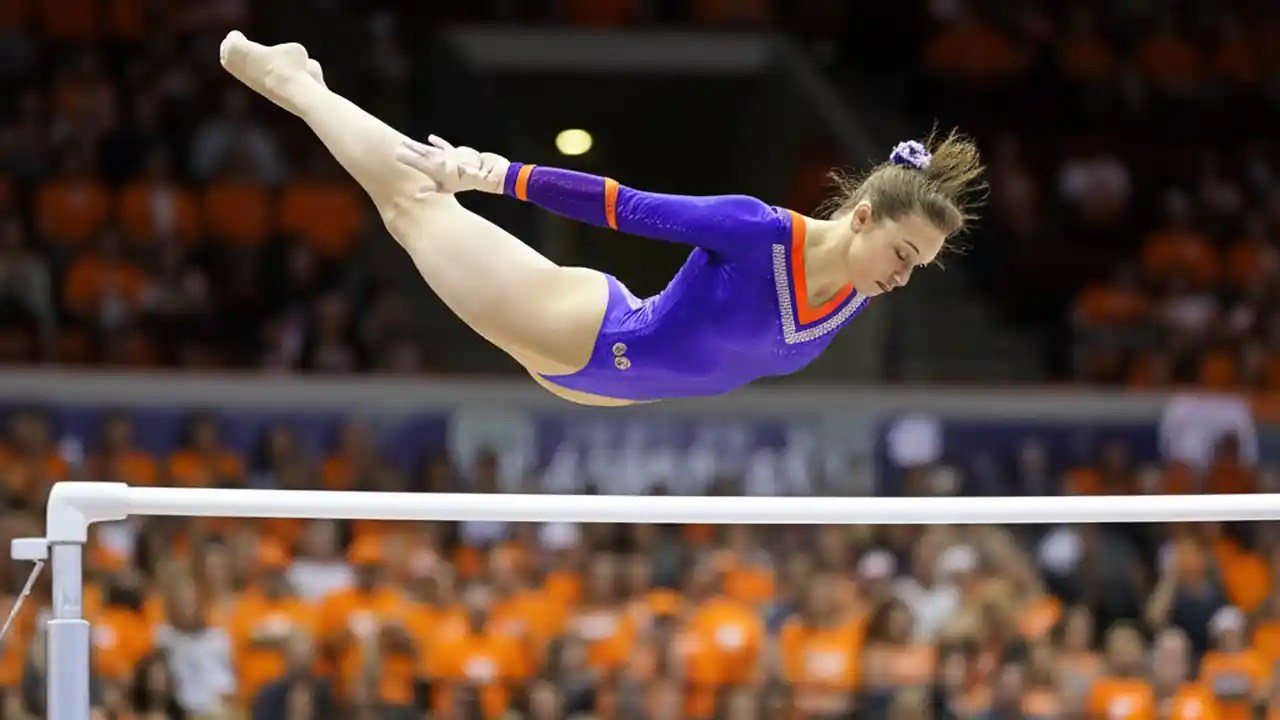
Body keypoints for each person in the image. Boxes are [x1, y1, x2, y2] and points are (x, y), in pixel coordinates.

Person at [218, 31, 985, 406]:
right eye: (903, 251)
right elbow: (625, 206)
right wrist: (492, 172)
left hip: (599, 380)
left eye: (918, 265)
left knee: (413, 210)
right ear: (860, 216)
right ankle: (294, 80)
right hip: (581, 333)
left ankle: (304, 83)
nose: (903, 273)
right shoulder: (759, 234)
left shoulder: (856, 291)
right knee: (414, 203)